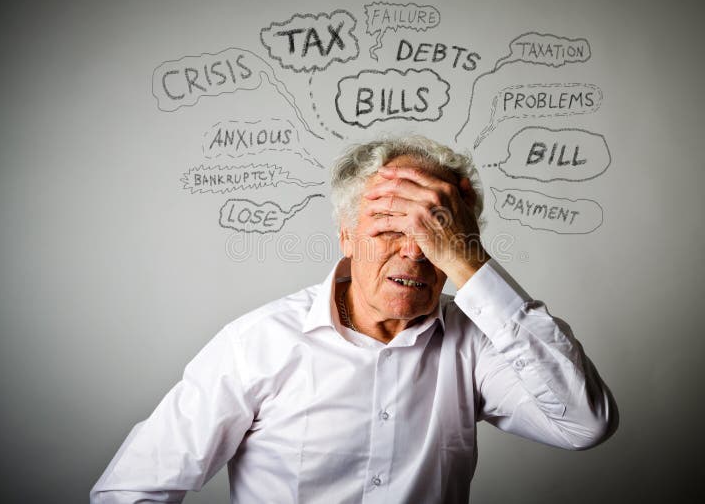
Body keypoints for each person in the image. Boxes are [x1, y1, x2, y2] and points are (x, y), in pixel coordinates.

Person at [90, 135, 617, 503]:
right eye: (389, 227)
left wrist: (468, 262)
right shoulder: (257, 344)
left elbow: (583, 423)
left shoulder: (475, 346)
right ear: (346, 237)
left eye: (437, 231)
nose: (414, 252)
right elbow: (131, 491)